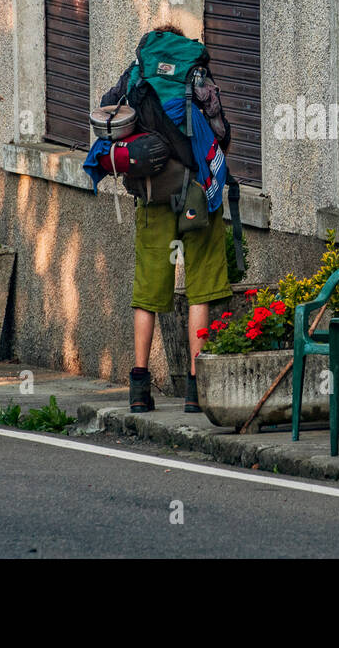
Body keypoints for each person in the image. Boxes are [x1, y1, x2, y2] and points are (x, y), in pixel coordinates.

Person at [102, 24, 233, 414]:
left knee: (148, 290)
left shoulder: (136, 74)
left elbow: (108, 114)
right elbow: (220, 129)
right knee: (201, 288)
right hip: (196, 192)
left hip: (151, 193)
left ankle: (139, 388)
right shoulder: (196, 73)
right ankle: (196, 388)